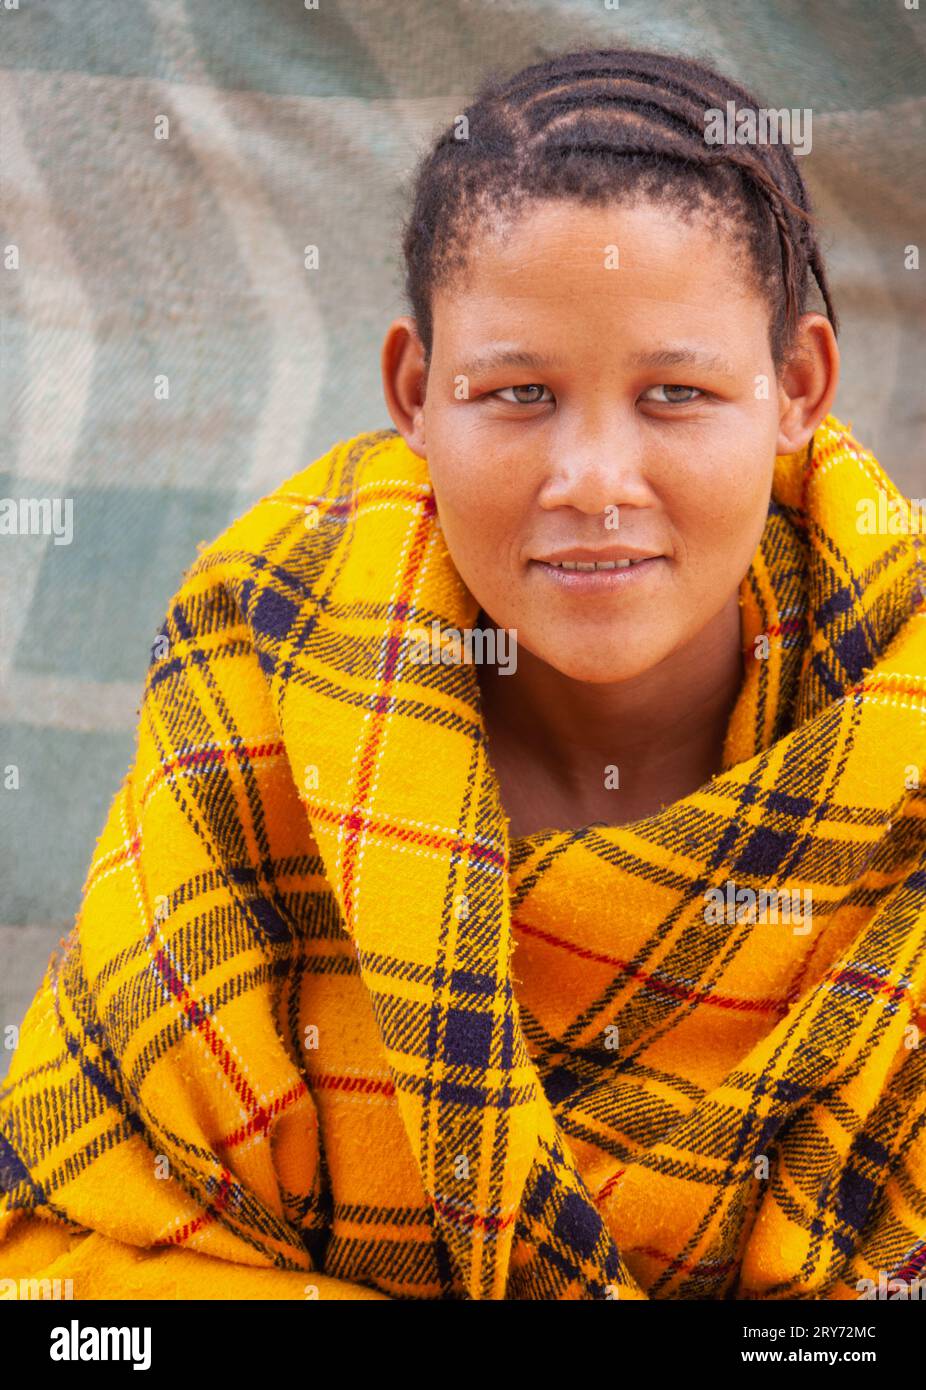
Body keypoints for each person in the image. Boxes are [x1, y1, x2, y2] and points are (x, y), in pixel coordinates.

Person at [2, 45, 924, 1303]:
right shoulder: (266, 670)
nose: (593, 480)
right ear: (414, 393)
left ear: (795, 387)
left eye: (674, 392)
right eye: (517, 393)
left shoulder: (900, 735)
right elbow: (70, 1260)